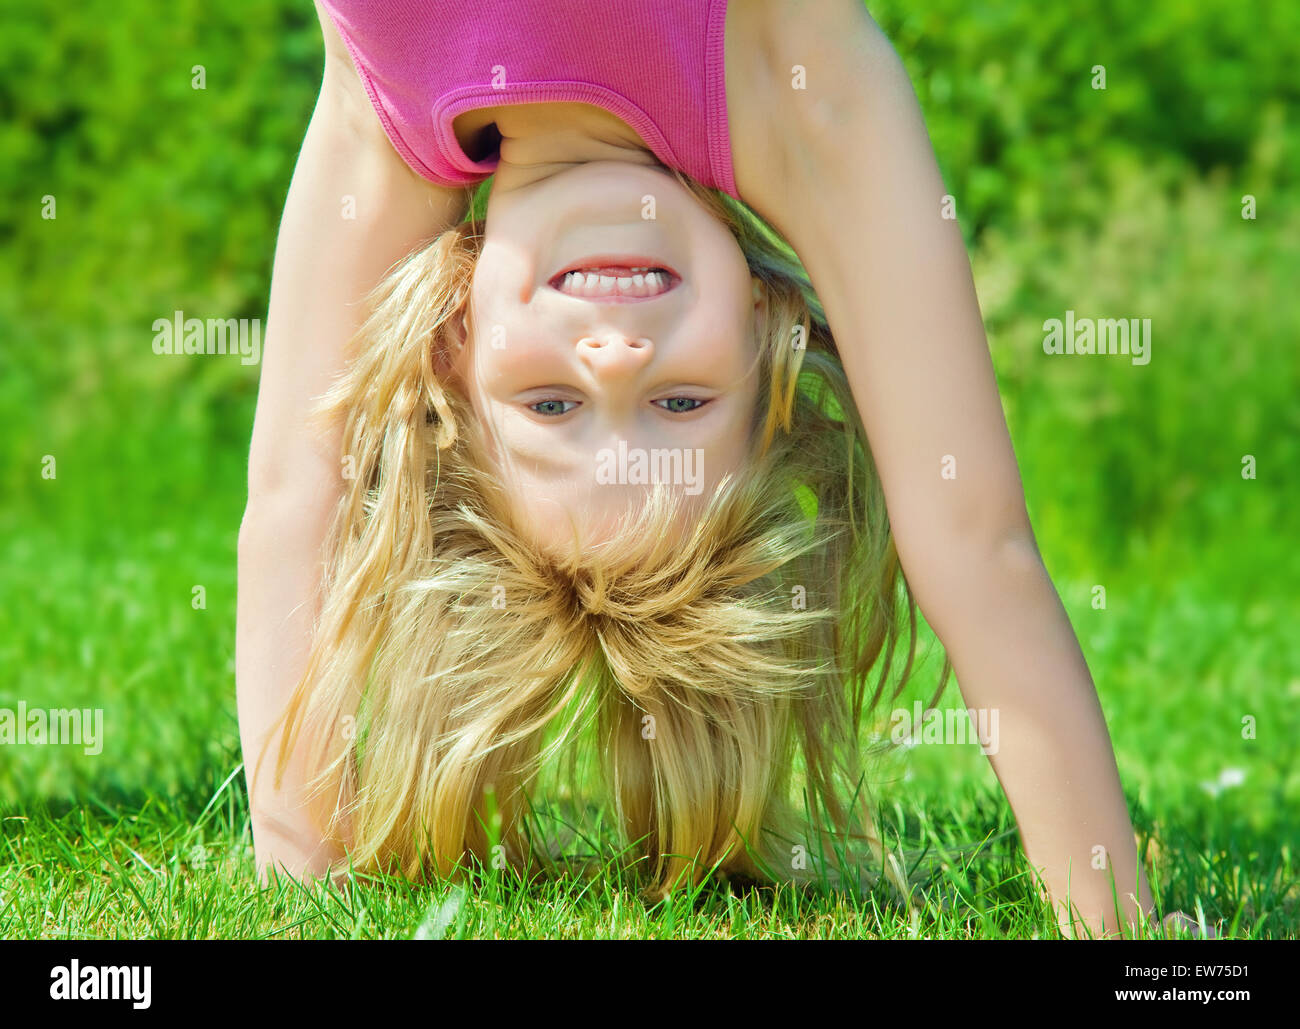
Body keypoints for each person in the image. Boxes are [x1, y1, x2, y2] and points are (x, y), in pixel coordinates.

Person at [237, 0, 1181, 938]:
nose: (613, 360)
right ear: (766, 329)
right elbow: (975, 545)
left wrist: (303, 883)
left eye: (552, 407)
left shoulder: (386, 111)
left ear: (456, 346)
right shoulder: (796, 90)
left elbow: (293, 498)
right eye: (682, 403)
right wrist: (1124, 937)